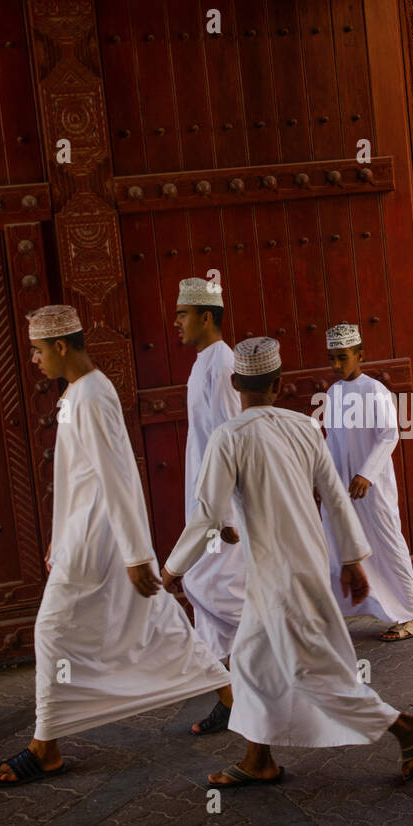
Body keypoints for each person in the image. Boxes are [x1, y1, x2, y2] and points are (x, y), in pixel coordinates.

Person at [161, 337, 413, 787]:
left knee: (318, 674)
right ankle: (259, 761)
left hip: (278, 579)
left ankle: (407, 727)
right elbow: (335, 495)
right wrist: (350, 560)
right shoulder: (305, 428)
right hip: (300, 568)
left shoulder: (228, 436)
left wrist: (172, 569)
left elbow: (208, 515)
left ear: (235, 383)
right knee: (250, 663)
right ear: (279, 383)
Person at [0, 305, 229, 785]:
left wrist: (137, 554)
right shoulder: (80, 392)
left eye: (37, 351)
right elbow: (79, 478)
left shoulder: (93, 395)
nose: (34, 361)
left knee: (51, 631)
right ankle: (234, 697)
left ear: (60, 346)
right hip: (86, 537)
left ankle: (45, 750)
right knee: (156, 623)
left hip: (98, 542)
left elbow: (118, 475)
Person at [319, 323, 413, 642]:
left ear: (360, 356)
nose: (337, 365)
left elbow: (389, 434)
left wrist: (367, 473)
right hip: (343, 485)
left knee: (387, 543)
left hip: (373, 486)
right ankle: (380, 610)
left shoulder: (374, 390)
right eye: (332, 359)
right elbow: (332, 439)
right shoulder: (333, 392)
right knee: (345, 542)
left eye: (343, 358)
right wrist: (324, 477)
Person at [173, 277, 248, 736]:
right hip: (206, 507)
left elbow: (232, 436)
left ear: (205, 316)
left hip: (223, 515)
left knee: (208, 586)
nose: (177, 323)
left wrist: (223, 516)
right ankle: (232, 700)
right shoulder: (204, 362)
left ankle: (286, 655)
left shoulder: (221, 365)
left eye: (183, 314)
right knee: (208, 606)